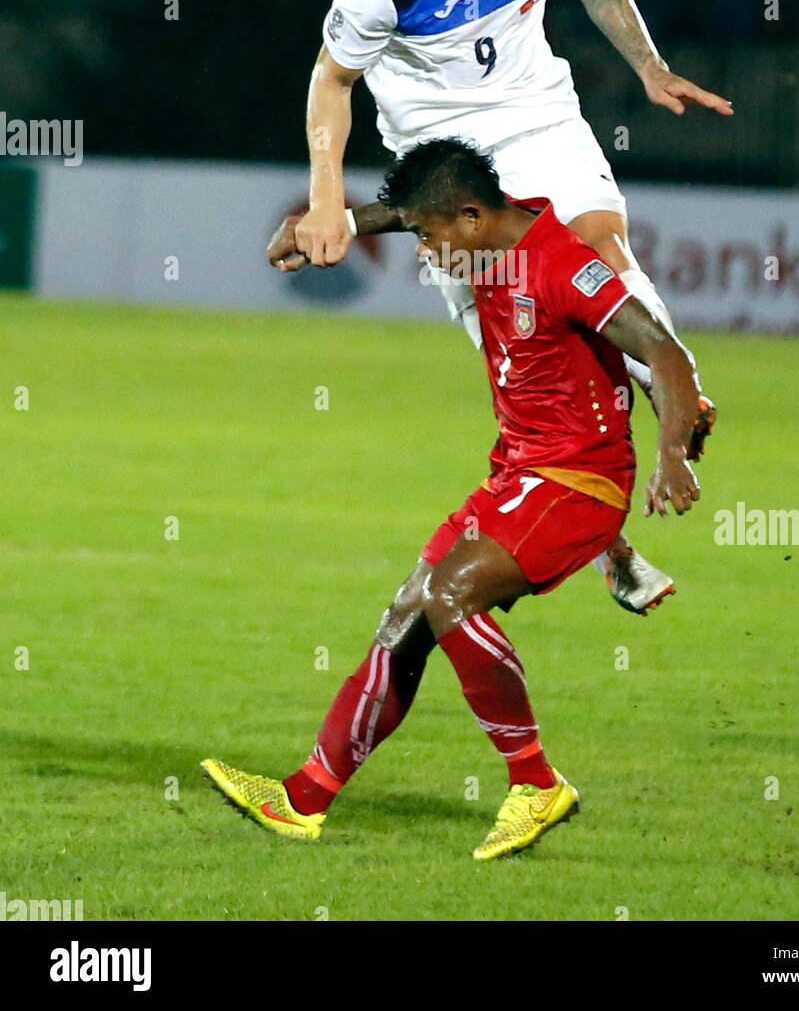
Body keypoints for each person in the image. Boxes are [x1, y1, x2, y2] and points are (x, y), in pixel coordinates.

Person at [268, 0, 728, 610]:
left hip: (540, 119)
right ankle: (607, 544)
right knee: (530, 369)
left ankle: (665, 379)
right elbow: (331, 80)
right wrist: (326, 201)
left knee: (597, 258)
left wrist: (650, 68)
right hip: (447, 164)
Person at [204, 139, 703, 860]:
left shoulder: (562, 264)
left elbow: (663, 351)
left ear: (470, 219)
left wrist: (669, 458)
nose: (429, 254)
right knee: (406, 614)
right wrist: (326, 219)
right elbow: (418, 210)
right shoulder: (481, 235)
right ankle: (302, 798)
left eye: (432, 239)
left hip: (577, 483)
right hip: (516, 475)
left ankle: (534, 784)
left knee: (448, 595)